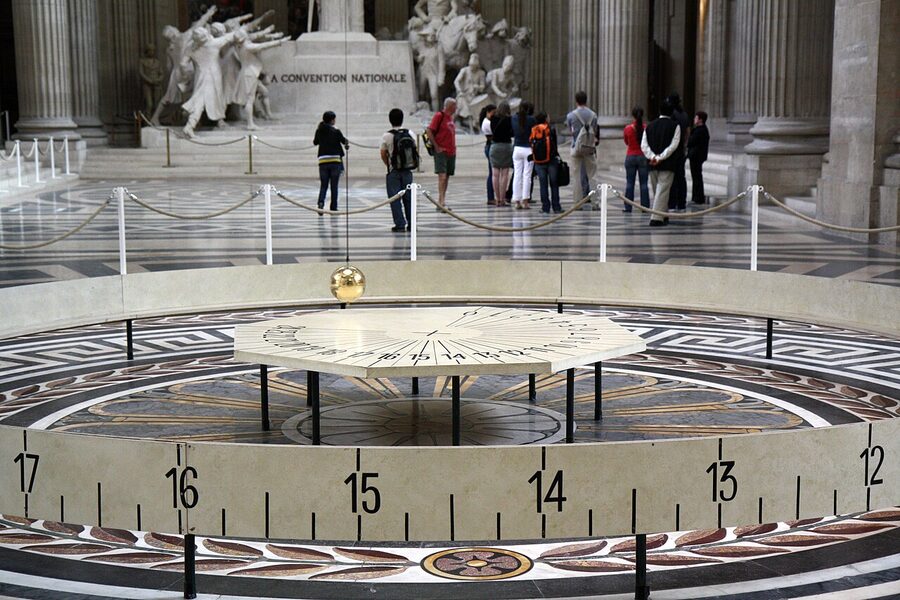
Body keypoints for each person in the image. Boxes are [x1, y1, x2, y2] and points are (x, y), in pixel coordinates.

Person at [230, 29, 286, 130]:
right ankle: (250, 124)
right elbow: (262, 46)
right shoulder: (247, 46)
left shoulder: (240, 45)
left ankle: (268, 114)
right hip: (249, 74)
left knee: (264, 92)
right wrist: (279, 42)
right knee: (249, 100)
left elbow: (255, 39)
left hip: (251, 73)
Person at [641, 100, 683, 227]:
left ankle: (662, 214)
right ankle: (656, 218)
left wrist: (653, 157)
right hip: (667, 163)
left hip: (652, 163)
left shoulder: (649, 126)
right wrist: (661, 157)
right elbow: (673, 146)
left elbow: (644, 145)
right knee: (661, 191)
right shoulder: (675, 126)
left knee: (658, 191)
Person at [381, 108, 416, 232]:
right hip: (407, 170)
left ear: (390, 120)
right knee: (409, 198)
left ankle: (400, 224)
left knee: (394, 199)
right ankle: (412, 224)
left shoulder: (387, 136)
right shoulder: (410, 133)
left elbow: (383, 153)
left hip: (394, 171)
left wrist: (389, 165)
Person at [566, 90, 599, 209]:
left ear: (576, 100)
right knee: (592, 176)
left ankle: (577, 203)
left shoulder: (570, 115)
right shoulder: (593, 115)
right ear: (586, 100)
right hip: (589, 148)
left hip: (576, 147)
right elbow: (594, 130)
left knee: (576, 176)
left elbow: (571, 131)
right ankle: (595, 202)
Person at [313, 111, 349, 212]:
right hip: (335, 161)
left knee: (323, 185)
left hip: (323, 161)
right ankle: (333, 206)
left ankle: (321, 202)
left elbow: (315, 142)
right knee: (334, 186)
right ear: (332, 120)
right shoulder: (336, 131)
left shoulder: (319, 130)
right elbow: (344, 141)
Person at [427, 97, 458, 211]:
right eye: (455, 105)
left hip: (451, 151)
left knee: (447, 177)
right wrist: (436, 146)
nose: (456, 107)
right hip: (441, 151)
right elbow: (429, 130)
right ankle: (440, 202)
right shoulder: (439, 116)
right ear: (450, 106)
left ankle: (442, 200)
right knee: (442, 176)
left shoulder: (450, 118)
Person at [531, 112, 561, 214]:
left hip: (539, 162)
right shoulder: (551, 129)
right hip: (551, 160)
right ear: (545, 119)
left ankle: (545, 207)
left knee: (543, 185)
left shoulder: (534, 130)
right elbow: (555, 145)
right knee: (554, 184)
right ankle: (556, 207)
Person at [622, 106, 650, 213]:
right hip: (643, 156)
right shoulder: (646, 128)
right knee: (644, 183)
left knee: (629, 183)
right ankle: (645, 207)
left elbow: (626, 142)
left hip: (631, 156)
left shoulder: (628, 128)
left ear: (633, 115)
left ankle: (628, 207)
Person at [667, 93, 691, 211]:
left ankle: (672, 203)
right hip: (681, 149)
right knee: (681, 177)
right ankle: (682, 202)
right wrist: (685, 144)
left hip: (673, 149)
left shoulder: (672, 115)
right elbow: (687, 131)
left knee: (672, 177)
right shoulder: (685, 114)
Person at [511, 101, 536, 209]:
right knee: (527, 176)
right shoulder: (531, 119)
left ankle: (517, 201)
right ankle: (525, 200)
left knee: (517, 175)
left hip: (517, 148)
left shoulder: (514, 118)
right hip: (528, 149)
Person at [489, 101, 513, 207]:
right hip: (506, 146)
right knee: (504, 174)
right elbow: (512, 133)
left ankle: (497, 199)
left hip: (495, 146)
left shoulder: (493, 118)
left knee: (495, 174)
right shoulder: (509, 119)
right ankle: (503, 199)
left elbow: (492, 131)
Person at [687, 111, 710, 205]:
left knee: (697, 177)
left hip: (697, 156)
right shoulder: (700, 130)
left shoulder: (700, 130)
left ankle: (698, 197)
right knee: (696, 176)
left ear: (700, 119)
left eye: (696, 118)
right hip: (696, 156)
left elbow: (691, 142)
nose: (694, 119)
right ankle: (696, 196)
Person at [479, 104, 496, 205]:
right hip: (490, 147)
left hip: (491, 146)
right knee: (492, 173)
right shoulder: (486, 122)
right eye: (494, 112)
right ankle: (490, 197)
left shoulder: (489, 121)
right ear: (488, 112)